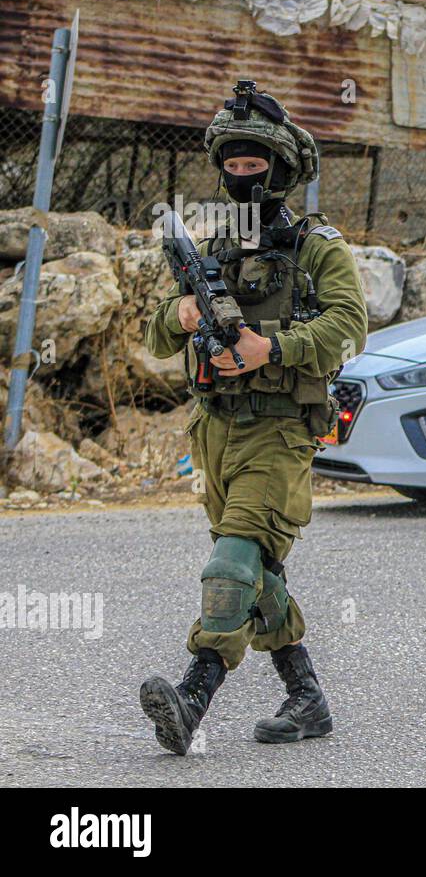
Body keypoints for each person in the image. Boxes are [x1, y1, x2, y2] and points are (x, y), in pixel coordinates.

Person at [138, 81, 368, 754]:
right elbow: (156, 339)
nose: (242, 178)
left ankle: (192, 697)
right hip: (214, 430)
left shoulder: (316, 247)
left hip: (279, 429)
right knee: (257, 571)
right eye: (232, 166)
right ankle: (306, 698)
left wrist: (276, 347)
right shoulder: (211, 252)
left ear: (281, 170)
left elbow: (351, 327)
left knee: (230, 567)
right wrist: (177, 315)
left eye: (254, 166)